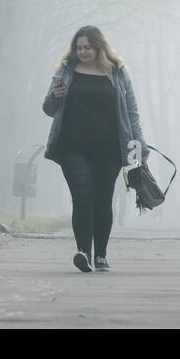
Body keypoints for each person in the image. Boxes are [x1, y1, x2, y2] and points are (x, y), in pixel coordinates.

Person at [42, 25, 149, 273]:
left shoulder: (118, 73)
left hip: (109, 148)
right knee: (83, 197)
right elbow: (48, 109)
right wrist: (56, 96)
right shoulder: (66, 71)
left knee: (103, 200)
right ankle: (83, 253)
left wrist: (141, 147)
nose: (82, 52)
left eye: (87, 47)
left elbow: (132, 113)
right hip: (72, 146)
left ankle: (100, 254)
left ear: (99, 47)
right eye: (78, 48)